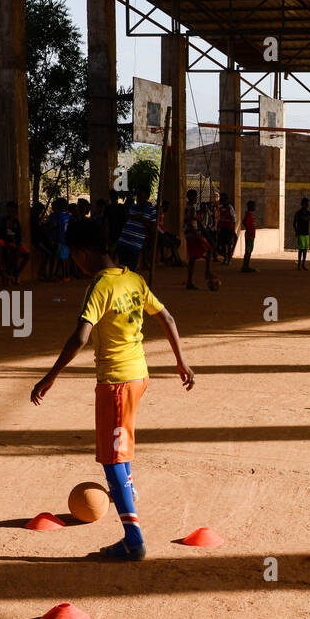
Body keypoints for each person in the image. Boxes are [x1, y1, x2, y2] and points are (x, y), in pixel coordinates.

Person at [31, 216, 195, 561]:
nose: (74, 263)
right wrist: (181, 361)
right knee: (120, 445)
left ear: (84, 252)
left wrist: (51, 375)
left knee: (112, 458)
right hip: (139, 375)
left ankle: (133, 539)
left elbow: (80, 336)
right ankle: (127, 488)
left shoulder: (99, 286)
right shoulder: (134, 279)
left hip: (116, 382)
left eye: (73, 256)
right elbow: (167, 317)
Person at [116, 186, 155, 271]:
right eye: (138, 196)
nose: (138, 199)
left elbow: (153, 229)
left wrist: (142, 219)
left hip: (135, 245)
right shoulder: (132, 207)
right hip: (123, 242)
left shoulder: (152, 210)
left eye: (141, 196)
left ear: (147, 197)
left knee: (131, 272)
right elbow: (126, 220)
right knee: (122, 270)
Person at [183, 189, 212, 289]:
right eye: (195, 197)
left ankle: (190, 282)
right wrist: (198, 235)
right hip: (193, 234)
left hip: (190, 234)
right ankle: (207, 272)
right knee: (208, 249)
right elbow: (191, 223)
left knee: (193, 258)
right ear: (193, 197)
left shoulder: (189, 207)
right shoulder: (191, 208)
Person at [215, 193, 237, 265]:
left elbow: (234, 219)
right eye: (222, 199)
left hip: (229, 228)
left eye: (224, 199)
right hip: (222, 228)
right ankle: (225, 258)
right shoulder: (220, 208)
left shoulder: (230, 208)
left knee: (229, 244)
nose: (223, 201)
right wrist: (218, 227)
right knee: (223, 244)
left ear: (227, 200)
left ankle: (229, 259)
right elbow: (219, 219)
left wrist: (233, 230)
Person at [293, 197, 310, 270]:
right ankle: (299, 265)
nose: (307, 205)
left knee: (305, 250)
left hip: (306, 233)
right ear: (302, 204)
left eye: (307, 203)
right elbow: (294, 223)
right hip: (300, 233)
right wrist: (296, 231)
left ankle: (303, 264)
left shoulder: (308, 213)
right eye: (306, 203)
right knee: (301, 250)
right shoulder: (298, 213)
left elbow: (305, 220)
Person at [240, 200, 258, 273]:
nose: (255, 207)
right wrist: (249, 230)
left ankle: (246, 266)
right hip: (249, 236)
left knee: (249, 251)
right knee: (248, 251)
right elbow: (244, 222)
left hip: (251, 235)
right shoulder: (248, 214)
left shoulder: (249, 214)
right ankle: (245, 267)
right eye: (253, 206)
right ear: (250, 206)